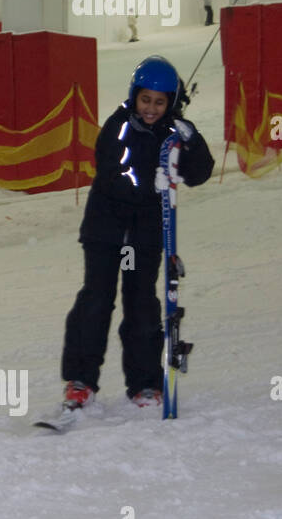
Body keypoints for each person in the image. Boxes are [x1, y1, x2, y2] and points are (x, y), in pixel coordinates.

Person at [56, 56, 213, 416]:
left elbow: (199, 173)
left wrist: (193, 141)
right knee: (97, 299)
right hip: (108, 233)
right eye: (146, 100)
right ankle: (80, 380)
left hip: (142, 237)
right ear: (134, 96)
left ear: (171, 102)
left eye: (160, 102)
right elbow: (114, 172)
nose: (152, 109)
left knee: (141, 303)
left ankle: (144, 382)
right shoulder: (118, 127)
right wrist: (151, 185)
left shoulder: (174, 132)